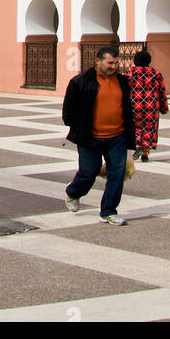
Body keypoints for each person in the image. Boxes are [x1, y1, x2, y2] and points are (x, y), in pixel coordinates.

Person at [62, 45, 136, 225]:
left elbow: (127, 110)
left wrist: (132, 138)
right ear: (98, 61)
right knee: (89, 171)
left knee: (117, 174)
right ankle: (73, 193)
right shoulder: (80, 82)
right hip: (90, 137)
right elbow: (68, 112)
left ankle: (109, 211)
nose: (114, 66)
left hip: (117, 136)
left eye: (117, 63)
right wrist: (79, 128)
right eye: (110, 62)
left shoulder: (123, 82)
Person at [126, 49, 168, 161]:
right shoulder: (156, 74)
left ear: (135, 61)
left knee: (135, 128)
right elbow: (162, 92)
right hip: (151, 107)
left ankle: (137, 146)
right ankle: (145, 154)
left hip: (134, 106)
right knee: (149, 129)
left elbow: (124, 90)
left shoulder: (130, 73)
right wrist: (164, 108)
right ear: (149, 61)